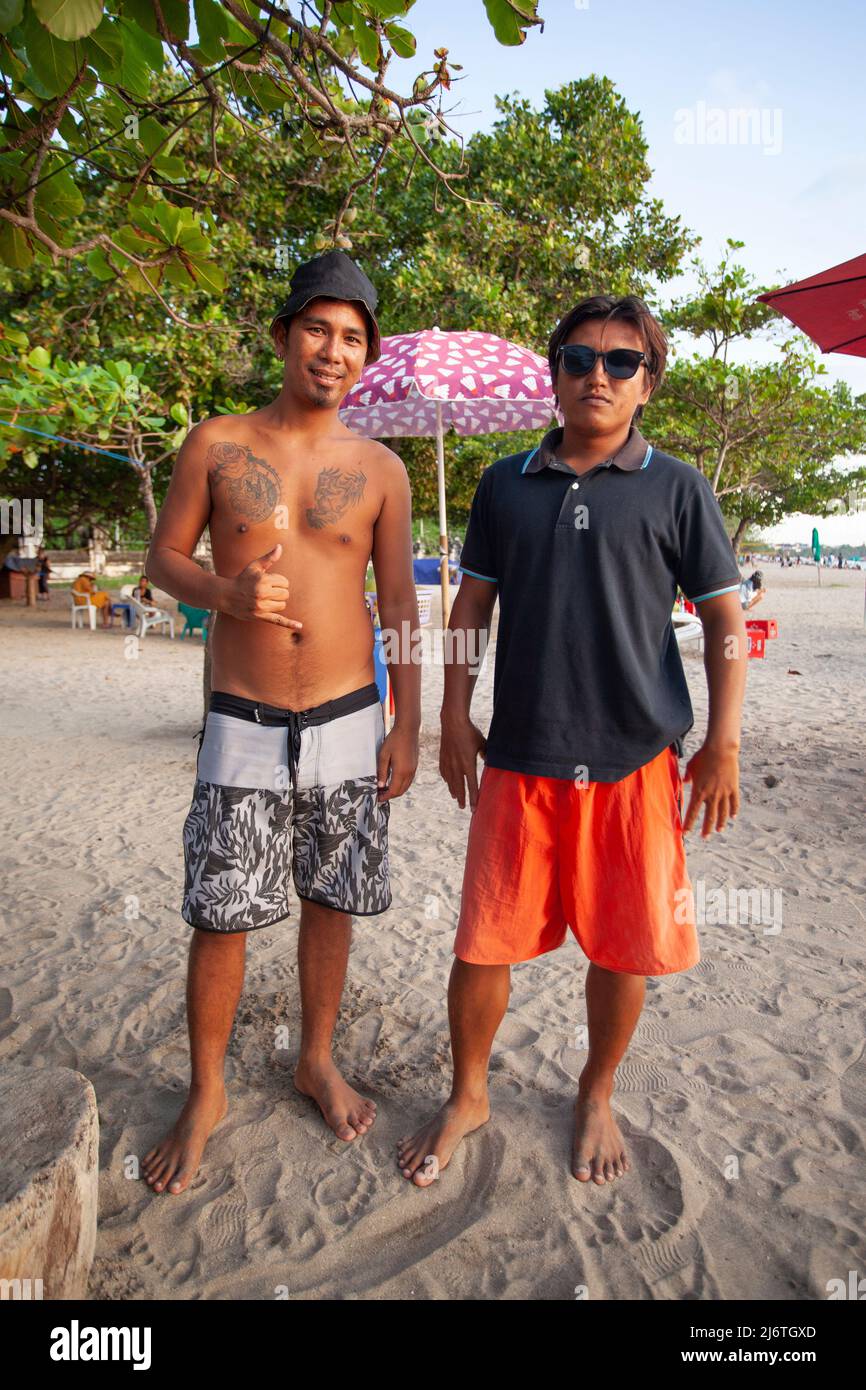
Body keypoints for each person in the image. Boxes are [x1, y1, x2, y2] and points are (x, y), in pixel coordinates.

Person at [397, 293, 747, 1189]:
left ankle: (596, 1090)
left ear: (647, 385)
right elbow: (471, 605)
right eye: (579, 359)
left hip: (637, 758)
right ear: (552, 376)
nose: (598, 375)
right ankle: (468, 1092)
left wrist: (724, 744)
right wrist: (450, 713)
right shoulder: (504, 481)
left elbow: (722, 620)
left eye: (621, 362)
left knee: (624, 944)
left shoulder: (679, 488)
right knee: (482, 941)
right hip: (520, 752)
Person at [142, 250, 421, 1195]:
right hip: (243, 718)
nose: (332, 351)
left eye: (351, 337)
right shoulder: (215, 443)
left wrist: (409, 724)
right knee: (222, 909)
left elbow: (400, 608)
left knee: (332, 895)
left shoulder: (380, 468)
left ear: (365, 356)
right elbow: (161, 559)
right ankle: (208, 1090)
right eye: (317, 329)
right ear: (283, 336)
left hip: (350, 714)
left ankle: (315, 1058)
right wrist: (226, 591)